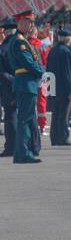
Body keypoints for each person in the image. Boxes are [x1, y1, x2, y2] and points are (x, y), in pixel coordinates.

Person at [5, 10, 43, 163]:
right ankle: (22, 153)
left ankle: (26, 150)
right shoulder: (19, 42)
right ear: (20, 23)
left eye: (32, 22)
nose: (31, 25)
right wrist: (42, 71)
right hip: (25, 83)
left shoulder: (22, 40)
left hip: (27, 83)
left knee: (28, 119)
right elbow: (29, 63)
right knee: (25, 120)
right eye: (28, 22)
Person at [45, 29, 71, 146]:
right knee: (64, 113)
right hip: (64, 88)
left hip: (53, 86)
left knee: (56, 113)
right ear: (68, 38)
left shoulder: (53, 51)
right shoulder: (67, 52)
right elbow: (68, 73)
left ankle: (54, 137)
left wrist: (46, 87)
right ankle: (63, 137)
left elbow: (47, 70)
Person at [0, 18, 16, 156]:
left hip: (8, 87)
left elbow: (2, 72)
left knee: (10, 117)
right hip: (22, 86)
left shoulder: (3, 48)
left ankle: (11, 146)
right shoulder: (21, 45)